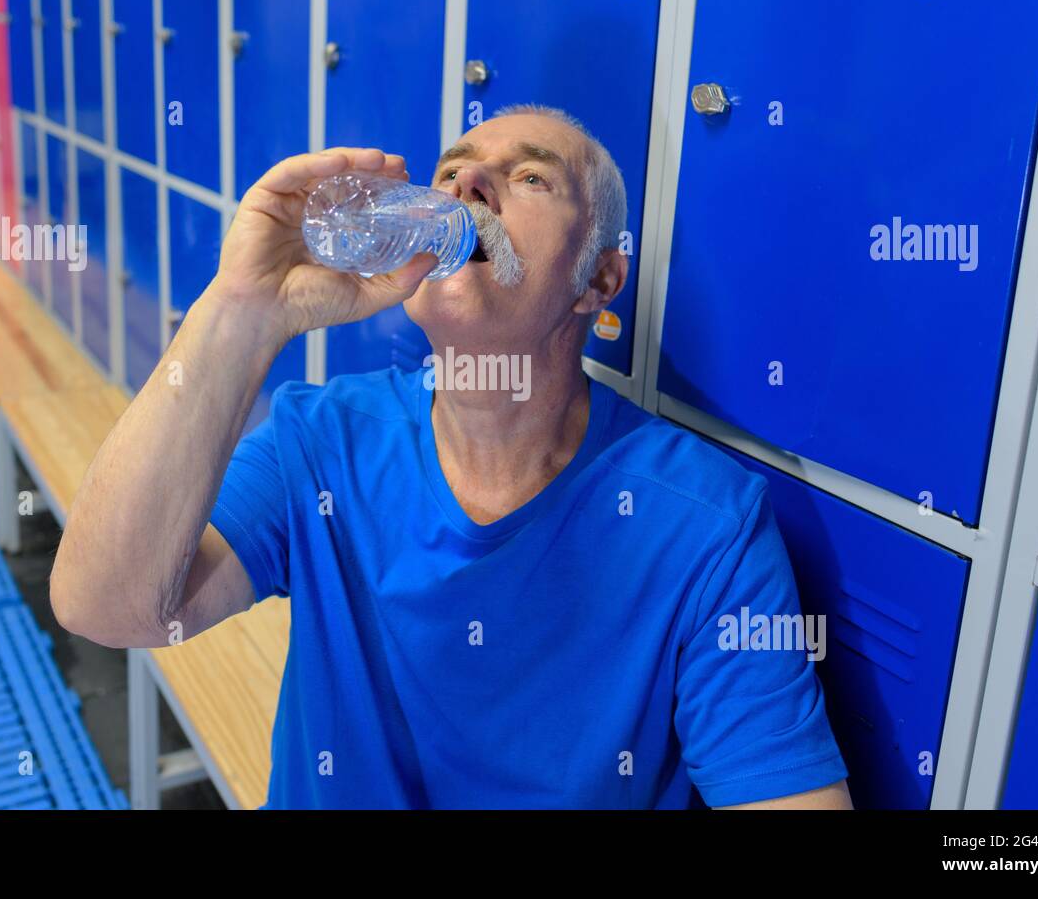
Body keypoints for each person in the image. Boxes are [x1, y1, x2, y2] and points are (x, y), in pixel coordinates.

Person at [51, 104, 852, 809]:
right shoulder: (323, 443)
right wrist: (240, 310)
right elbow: (108, 606)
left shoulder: (705, 526)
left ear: (599, 279)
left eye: (530, 178)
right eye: (453, 172)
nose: (467, 186)